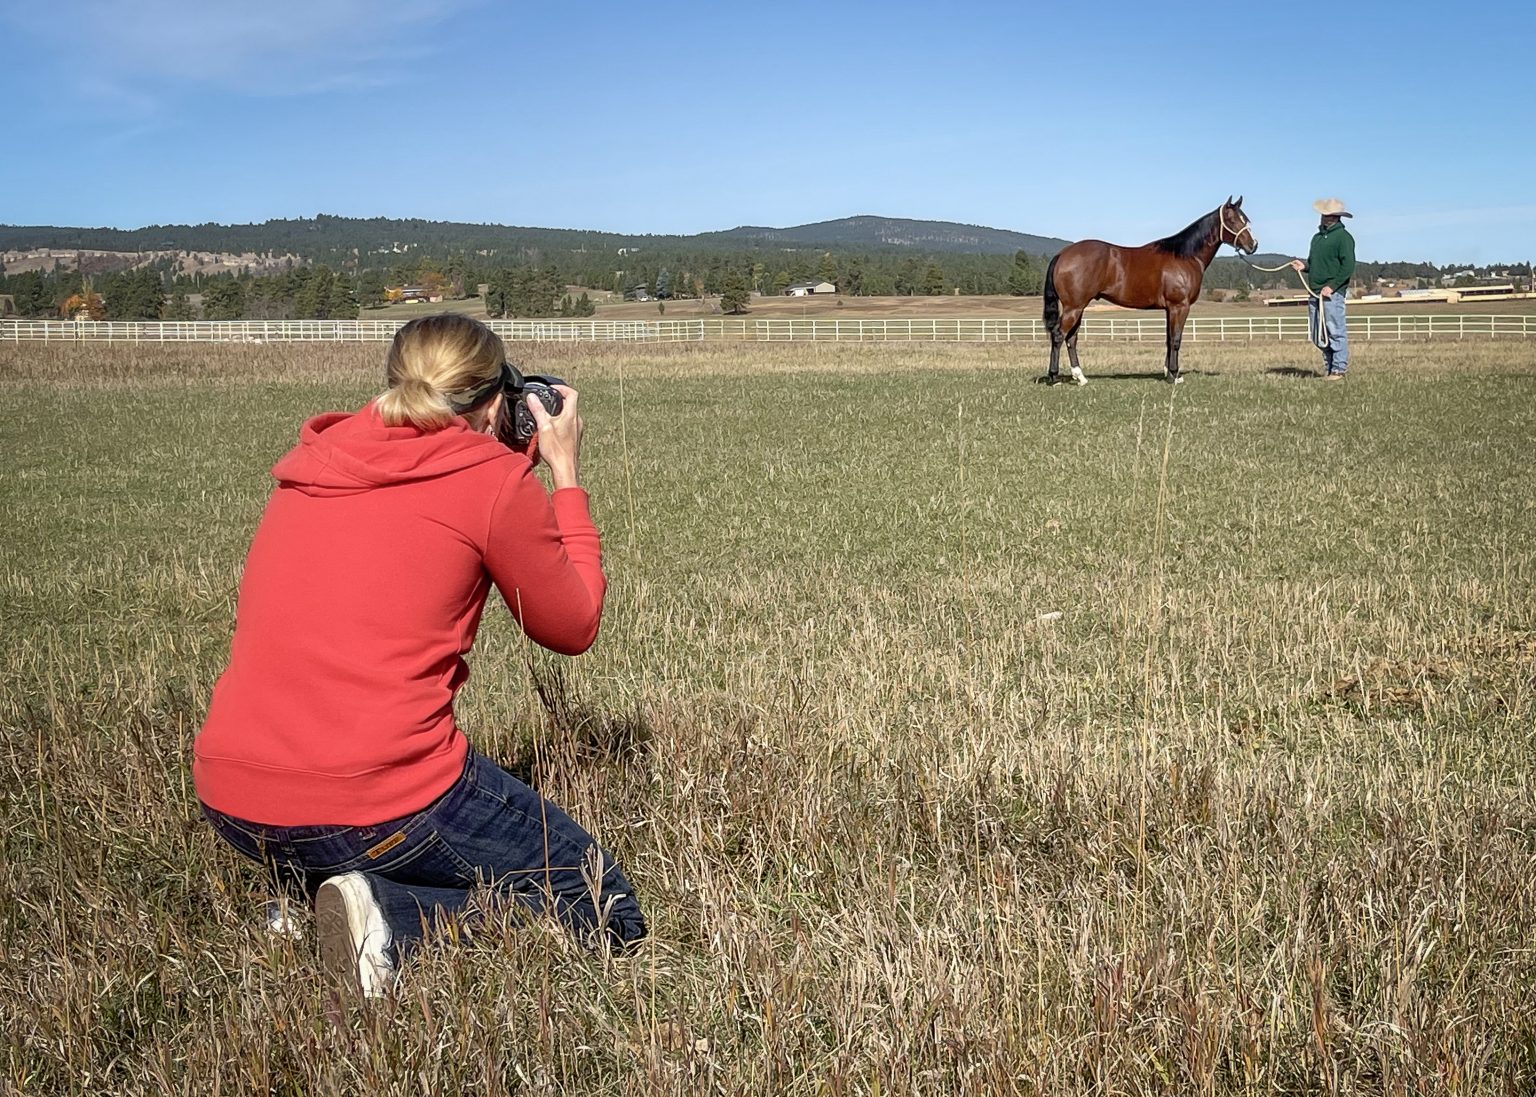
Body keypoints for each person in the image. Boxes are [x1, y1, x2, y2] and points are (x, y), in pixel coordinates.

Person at [193, 314, 644, 996]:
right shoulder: (491, 482)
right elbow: (573, 624)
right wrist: (565, 474)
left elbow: (433, 501)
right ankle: (395, 922)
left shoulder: (312, 464)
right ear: (496, 402)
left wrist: (505, 468)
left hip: (233, 796)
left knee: (369, 839)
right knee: (602, 903)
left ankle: (311, 903)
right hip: (372, 795)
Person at [1290, 198, 1357, 380]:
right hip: (1314, 292)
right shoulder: (1317, 238)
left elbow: (1348, 266)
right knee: (1317, 334)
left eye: (1326, 214)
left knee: (1335, 330)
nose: (1323, 218)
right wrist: (1304, 267)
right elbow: (1315, 265)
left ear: (1334, 217)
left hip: (1331, 294)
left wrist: (1333, 286)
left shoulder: (1344, 238)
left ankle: (1338, 369)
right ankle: (1329, 367)